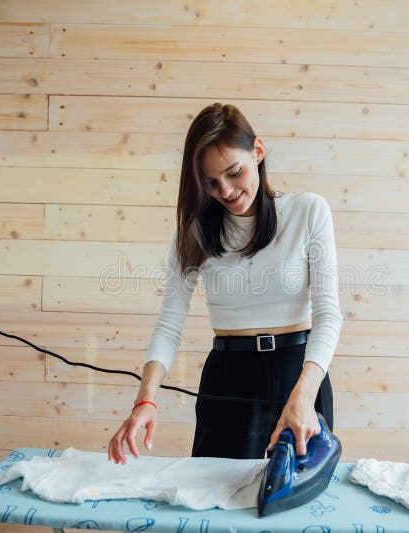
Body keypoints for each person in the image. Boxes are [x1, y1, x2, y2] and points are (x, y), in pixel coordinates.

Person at [107, 103, 343, 464]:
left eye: (235, 173)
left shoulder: (308, 211)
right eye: (211, 183)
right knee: (217, 506)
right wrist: (146, 399)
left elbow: (329, 316)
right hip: (229, 380)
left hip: (300, 372)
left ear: (258, 152)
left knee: (293, 506)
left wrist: (303, 396)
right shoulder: (196, 232)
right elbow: (170, 323)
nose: (226, 191)